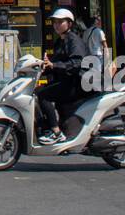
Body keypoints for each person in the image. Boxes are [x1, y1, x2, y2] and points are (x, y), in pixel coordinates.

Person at [38, 8, 87, 144]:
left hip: (76, 83)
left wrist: (53, 65)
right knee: (40, 91)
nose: (57, 25)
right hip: (66, 81)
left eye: (61, 22)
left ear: (69, 24)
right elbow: (55, 62)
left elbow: (76, 63)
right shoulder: (60, 41)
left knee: (43, 95)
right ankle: (51, 129)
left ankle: (56, 132)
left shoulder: (74, 40)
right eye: (55, 22)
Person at [82, 11, 109, 89]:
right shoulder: (99, 31)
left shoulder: (85, 32)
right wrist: (107, 57)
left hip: (88, 56)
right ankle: (100, 89)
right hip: (98, 56)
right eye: (97, 20)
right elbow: (105, 45)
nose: (98, 22)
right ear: (94, 22)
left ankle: (93, 89)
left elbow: (84, 45)